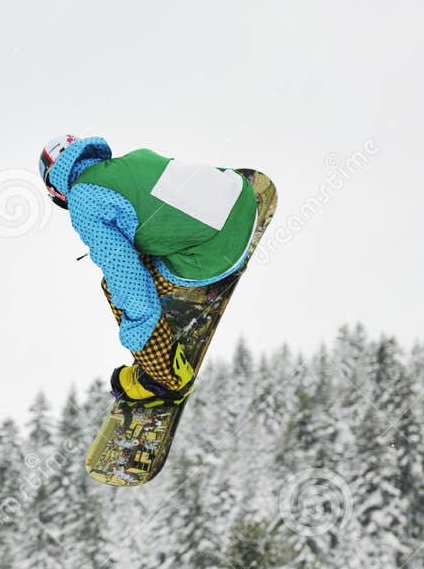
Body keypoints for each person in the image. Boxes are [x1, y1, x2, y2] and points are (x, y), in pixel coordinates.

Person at [40, 134, 260, 405]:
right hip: (241, 196)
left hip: (218, 251)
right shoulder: (134, 158)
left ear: (56, 189)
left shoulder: (84, 201)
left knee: (115, 288)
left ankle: (165, 380)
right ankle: (176, 283)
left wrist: (138, 335)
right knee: (141, 239)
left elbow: (126, 278)